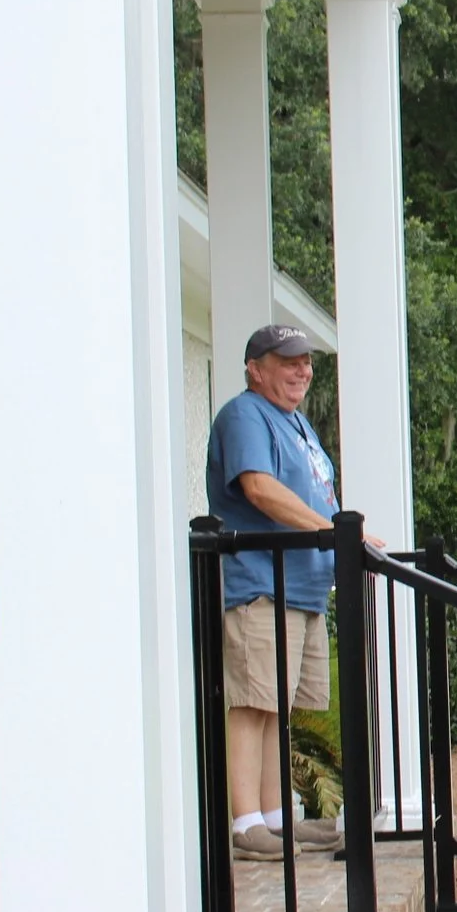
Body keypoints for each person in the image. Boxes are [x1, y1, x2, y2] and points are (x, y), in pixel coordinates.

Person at [205, 325, 341, 862]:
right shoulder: (244, 415)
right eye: (287, 362)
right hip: (261, 583)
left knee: (277, 707)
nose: (301, 371)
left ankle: (276, 818)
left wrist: (345, 542)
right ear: (255, 368)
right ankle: (245, 823)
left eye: (306, 361)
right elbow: (258, 488)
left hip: (301, 587)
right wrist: (328, 531)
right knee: (253, 702)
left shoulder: (298, 422)